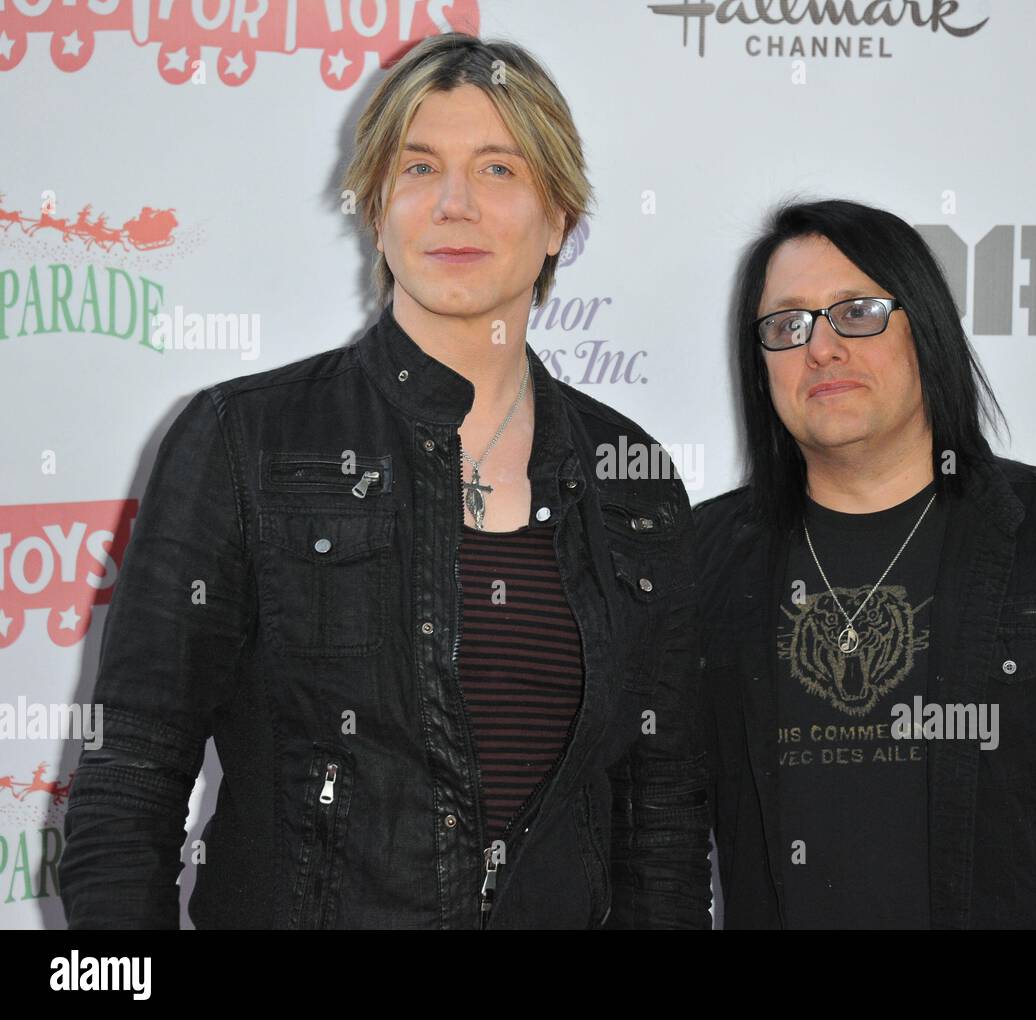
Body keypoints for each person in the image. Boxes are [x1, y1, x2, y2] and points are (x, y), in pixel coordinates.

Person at [58, 33, 710, 930]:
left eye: (497, 170)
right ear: (374, 207)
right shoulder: (244, 440)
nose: (453, 205)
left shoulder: (631, 481)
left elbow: (660, 824)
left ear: (558, 218)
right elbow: (131, 776)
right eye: (418, 168)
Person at [693, 198, 1036, 929]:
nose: (821, 348)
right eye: (788, 325)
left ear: (925, 328)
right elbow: (650, 828)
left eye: (857, 311)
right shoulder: (699, 562)